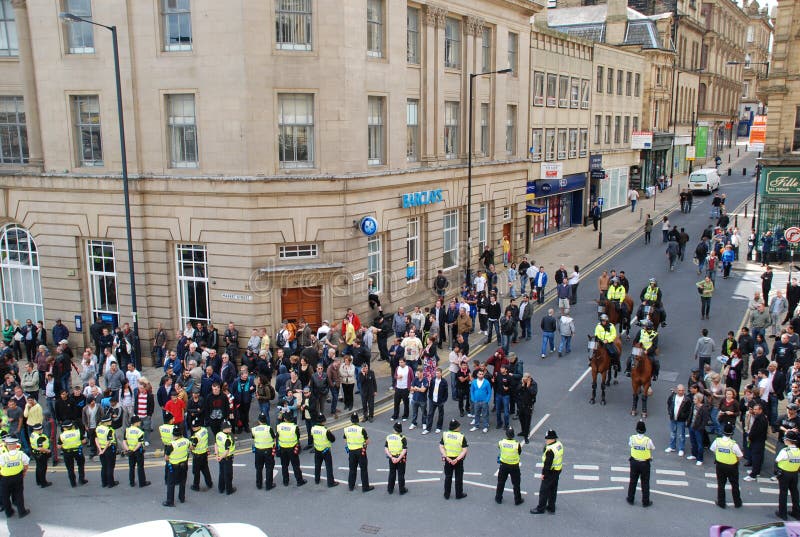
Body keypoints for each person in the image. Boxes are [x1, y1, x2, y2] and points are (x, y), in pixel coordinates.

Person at [710, 422, 743, 509]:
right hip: (732, 467)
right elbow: (740, 455)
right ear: (732, 433)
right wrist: (735, 460)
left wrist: (719, 456)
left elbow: (712, 449)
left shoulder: (717, 441)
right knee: (735, 484)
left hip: (720, 465)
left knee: (721, 484)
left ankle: (721, 502)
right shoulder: (733, 444)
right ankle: (737, 502)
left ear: (723, 432)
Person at [531, 429, 563, 514]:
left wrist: (543, 474)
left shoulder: (550, 450)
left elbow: (547, 464)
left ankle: (540, 508)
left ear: (552, 439)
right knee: (553, 489)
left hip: (550, 472)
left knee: (544, 490)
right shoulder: (559, 444)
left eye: (547, 438)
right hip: (557, 470)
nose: (546, 440)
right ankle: (551, 507)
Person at [626, 421, 654, 507]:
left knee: (633, 481)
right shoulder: (647, 440)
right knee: (645, 482)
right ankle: (645, 501)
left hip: (634, 462)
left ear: (636, 429)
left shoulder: (632, 438)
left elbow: (630, 445)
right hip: (645, 463)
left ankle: (630, 499)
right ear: (644, 430)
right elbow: (652, 447)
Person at [0, 437, 29, 518]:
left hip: (5, 478)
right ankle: (22, 512)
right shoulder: (21, 454)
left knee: (5, 495)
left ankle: (8, 513)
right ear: (16, 445)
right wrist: (23, 473)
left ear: (7, 446)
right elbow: (26, 465)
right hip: (18, 477)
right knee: (19, 494)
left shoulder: (3, 456)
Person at [774, 429, 800, 520]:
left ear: (788, 440)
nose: (784, 440)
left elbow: (777, 460)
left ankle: (782, 513)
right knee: (794, 492)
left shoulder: (785, 451)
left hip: (784, 474)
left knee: (783, 493)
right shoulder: (798, 451)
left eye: (785, 438)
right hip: (794, 474)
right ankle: (796, 512)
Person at [162, 425, 190, 507]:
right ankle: (182, 498)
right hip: (184, 465)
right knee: (182, 482)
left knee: (171, 483)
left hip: (174, 466)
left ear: (173, 435)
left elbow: (166, 457)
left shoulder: (172, 445)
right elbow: (191, 447)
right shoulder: (186, 441)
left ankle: (170, 501)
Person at [344, 412, 373, 492]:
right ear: (358, 420)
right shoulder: (361, 429)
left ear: (351, 420)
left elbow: (345, 440)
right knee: (363, 469)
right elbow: (367, 441)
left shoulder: (346, 429)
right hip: (361, 452)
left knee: (352, 469)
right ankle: (365, 487)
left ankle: (351, 486)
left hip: (351, 452)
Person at [440, 419, 468, 500]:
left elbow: (441, 446)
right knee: (458, 477)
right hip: (458, 460)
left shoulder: (445, 434)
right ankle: (459, 494)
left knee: (448, 477)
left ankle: (446, 494)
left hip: (448, 460)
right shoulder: (461, 436)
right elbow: (464, 450)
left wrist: (446, 457)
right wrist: (457, 459)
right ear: (456, 427)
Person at [496, 427, 524, 505]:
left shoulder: (501, 442)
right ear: (513, 435)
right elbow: (519, 452)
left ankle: (498, 498)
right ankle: (517, 500)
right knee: (516, 484)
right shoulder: (516, 444)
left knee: (501, 482)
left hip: (503, 465)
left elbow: (499, 448)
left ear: (506, 434)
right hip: (514, 466)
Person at [276, 412, 305, 487]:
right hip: (292, 449)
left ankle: (285, 481)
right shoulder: (294, 427)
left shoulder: (279, 426)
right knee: (295, 465)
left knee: (284, 466)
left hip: (283, 449)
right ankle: (299, 481)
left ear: (284, 419)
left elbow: (277, 437)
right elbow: (298, 436)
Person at [310, 414, 338, 488]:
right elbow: (333, 439)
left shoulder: (313, 428)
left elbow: (312, 436)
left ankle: (317, 479)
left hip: (317, 450)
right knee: (328, 467)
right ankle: (330, 482)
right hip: (325, 450)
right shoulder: (325, 430)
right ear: (323, 421)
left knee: (317, 465)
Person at [251, 413, 277, 491]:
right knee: (269, 468)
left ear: (259, 421)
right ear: (266, 420)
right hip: (268, 451)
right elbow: (274, 438)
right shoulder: (269, 429)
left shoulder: (254, 429)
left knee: (259, 468)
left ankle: (259, 484)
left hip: (258, 451)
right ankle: (269, 485)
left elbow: (253, 437)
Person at [58, 420, 88, 487]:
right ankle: (81, 479)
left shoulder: (62, 435)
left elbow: (59, 446)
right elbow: (83, 441)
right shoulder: (78, 432)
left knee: (70, 468)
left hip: (67, 453)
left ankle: (73, 483)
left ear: (65, 428)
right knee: (81, 465)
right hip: (78, 451)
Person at [123, 415, 150, 488]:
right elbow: (139, 443)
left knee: (131, 467)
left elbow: (124, 441)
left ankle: (131, 482)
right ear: (136, 423)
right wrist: (134, 450)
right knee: (140, 467)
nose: (140, 422)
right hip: (138, 451)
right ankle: (142, 483)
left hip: (130, 451)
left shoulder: (127, 430)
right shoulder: (139, 431)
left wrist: (128, 450)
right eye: (139, 421)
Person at [189, 418, 213, 491]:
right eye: (193, 426)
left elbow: (192, 448)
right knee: (205, 469)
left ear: (199, 426)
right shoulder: (204, 430)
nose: (193, 428)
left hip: (197, 456)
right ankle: (209, 483)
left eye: (195, 426)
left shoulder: (196, 437)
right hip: (204, 454)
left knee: (196, 472)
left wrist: (189, 446)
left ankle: (196, 486)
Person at [385, 422, 408, 495]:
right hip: (400, 459)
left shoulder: (388, 437)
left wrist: (391, 457)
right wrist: (398, 458)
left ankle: (390, 489)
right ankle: (402, 489)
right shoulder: (402, 438)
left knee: (392, 473)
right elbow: (404, 450)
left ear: (394, 429)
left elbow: (386, 448)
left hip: (392, 458)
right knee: (401, 474)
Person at [214, 420, 237, 494]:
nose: (231, 429)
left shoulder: (218, 434)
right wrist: (221, 457)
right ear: (225, 428)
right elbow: (227, 451)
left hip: (221, 457)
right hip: (227, 458)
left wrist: (217, 455)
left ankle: (221, 488)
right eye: (229, 428)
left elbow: (216, 444)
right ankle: (229, 490)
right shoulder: (228, 438)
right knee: (228, 474)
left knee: (222, 473)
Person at [95, 415, 118, 488]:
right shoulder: (109, 430)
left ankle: (104, 483)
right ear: (106, 422)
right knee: (110, 466)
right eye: (110, 420)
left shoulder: (98, 428)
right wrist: (104, 450)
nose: (111, 421)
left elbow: (96, 439)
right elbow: (108, 442)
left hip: (101, 448)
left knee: (104, 466)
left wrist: (100, 450)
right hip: (109, 449)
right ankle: (111, 483)